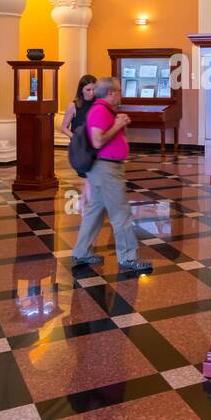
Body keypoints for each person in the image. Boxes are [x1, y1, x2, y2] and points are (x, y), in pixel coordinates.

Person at [71, 77, 152, 273]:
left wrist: (118, 122)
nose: (120, 94)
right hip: (106, 169)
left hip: (103, 169)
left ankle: (81, 252)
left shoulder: (104, 110)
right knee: (120, 213)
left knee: (94, 212)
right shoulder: (99, 110)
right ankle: (128, 257)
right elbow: (98, 141)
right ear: (111, 93)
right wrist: (118, 125)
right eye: (119, 91)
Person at [62, 73, 97, 213]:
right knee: (89, 177)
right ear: (81, 89)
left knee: (90, 179)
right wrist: (76, 138)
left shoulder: (98, 104)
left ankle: (83, 203)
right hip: (81, 149)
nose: (91, 93)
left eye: (94, 89)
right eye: (88, 89)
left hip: (94, 147)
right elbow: (64, 127)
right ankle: (87, 208)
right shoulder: (74, 105)